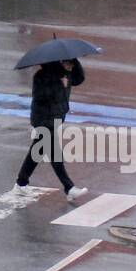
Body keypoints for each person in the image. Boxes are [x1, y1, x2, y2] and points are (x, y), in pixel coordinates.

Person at [15, 58, 88, 200]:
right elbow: (41, 96)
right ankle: (69, 188)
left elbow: (80, 79)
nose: (70, 66)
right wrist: (60, 85)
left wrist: (75, 62)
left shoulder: (66, 74)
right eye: (68, 63)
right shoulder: (42, 76)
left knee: (37, 152)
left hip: (55, 118)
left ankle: (21, 183)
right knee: (55, 155)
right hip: (43, 119)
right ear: (59, 63)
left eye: (72, 63)